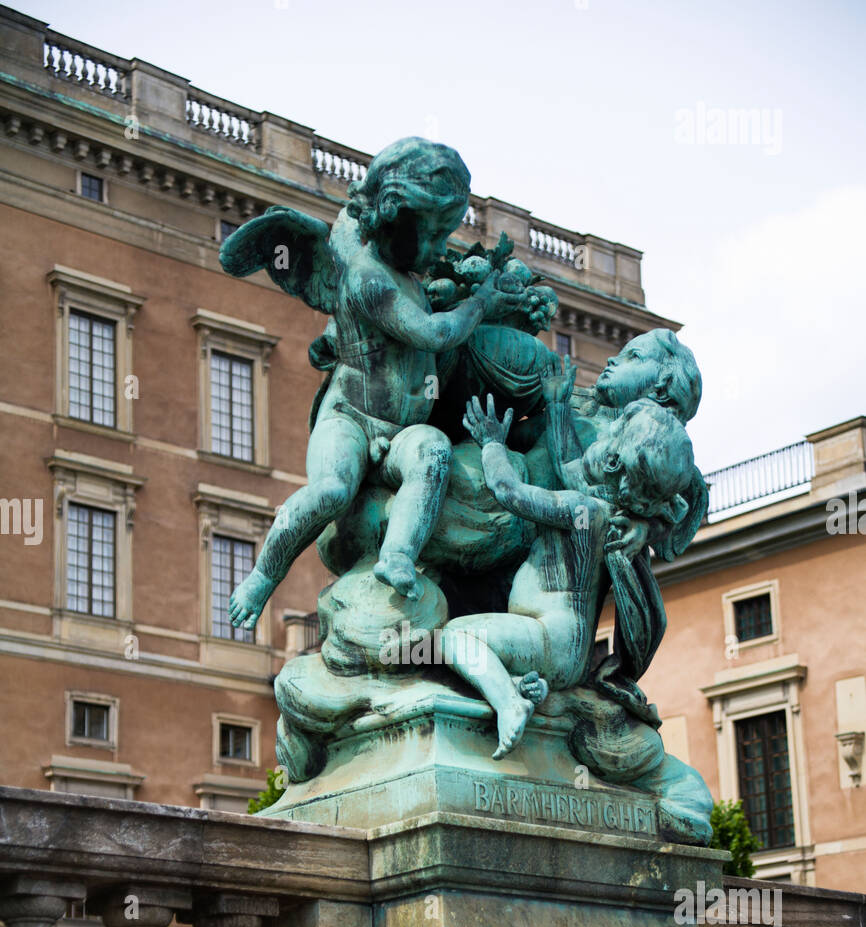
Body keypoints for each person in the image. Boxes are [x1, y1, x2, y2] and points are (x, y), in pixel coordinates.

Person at [224, 138, 525, 628]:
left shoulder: (409, 278)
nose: (437, 250)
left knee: (433, 452)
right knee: (331, 491)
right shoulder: (369, 278)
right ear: (390, 218)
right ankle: (262, 575)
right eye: (430, 237)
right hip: (351, 420)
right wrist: (482, 303)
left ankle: (397, 555)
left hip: (401, 431)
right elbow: (434, 332)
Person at [440, 393, 699, 758]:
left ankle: (508, 704)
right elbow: (567, 463)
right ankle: (522, 687)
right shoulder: (615, 520)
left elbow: (508, 491)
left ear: (610, 460)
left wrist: (492, 443)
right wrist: (559, 406)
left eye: (607, 436)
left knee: (455, 637)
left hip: (550, 636)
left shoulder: (582, 508)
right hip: (572, 653)